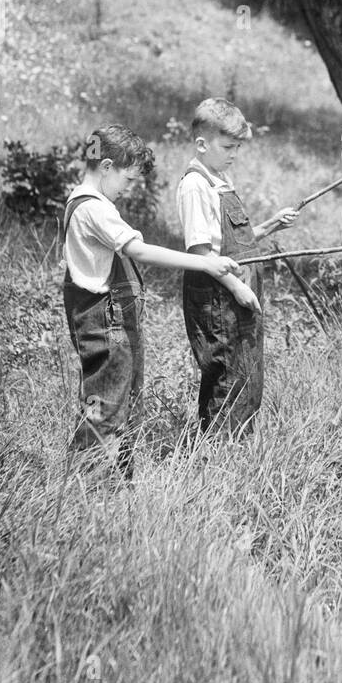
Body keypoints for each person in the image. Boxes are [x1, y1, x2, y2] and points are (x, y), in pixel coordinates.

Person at [63, 123, 239, 477]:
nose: (128, 190)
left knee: (124, 401)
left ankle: (118, 481)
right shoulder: (93, 208)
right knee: (106, 403)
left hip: (115, 322)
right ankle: (91, 484)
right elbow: (138, 251)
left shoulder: (84, 200)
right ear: (108, 166)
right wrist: (206, 263)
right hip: (106, 322)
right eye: (127, 181)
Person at [176, 98, 299, 439]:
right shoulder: (195, 185)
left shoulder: (220, 178)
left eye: (238, 147)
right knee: (227, 374)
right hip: (218, 295)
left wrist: (272, 225)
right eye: (228, 146)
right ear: (202, 143)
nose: (234, 153)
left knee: (246, 370)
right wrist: (238, 287)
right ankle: (215, 454)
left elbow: (235, 240)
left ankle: (237, 449)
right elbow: (203, 253)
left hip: (235, 291)